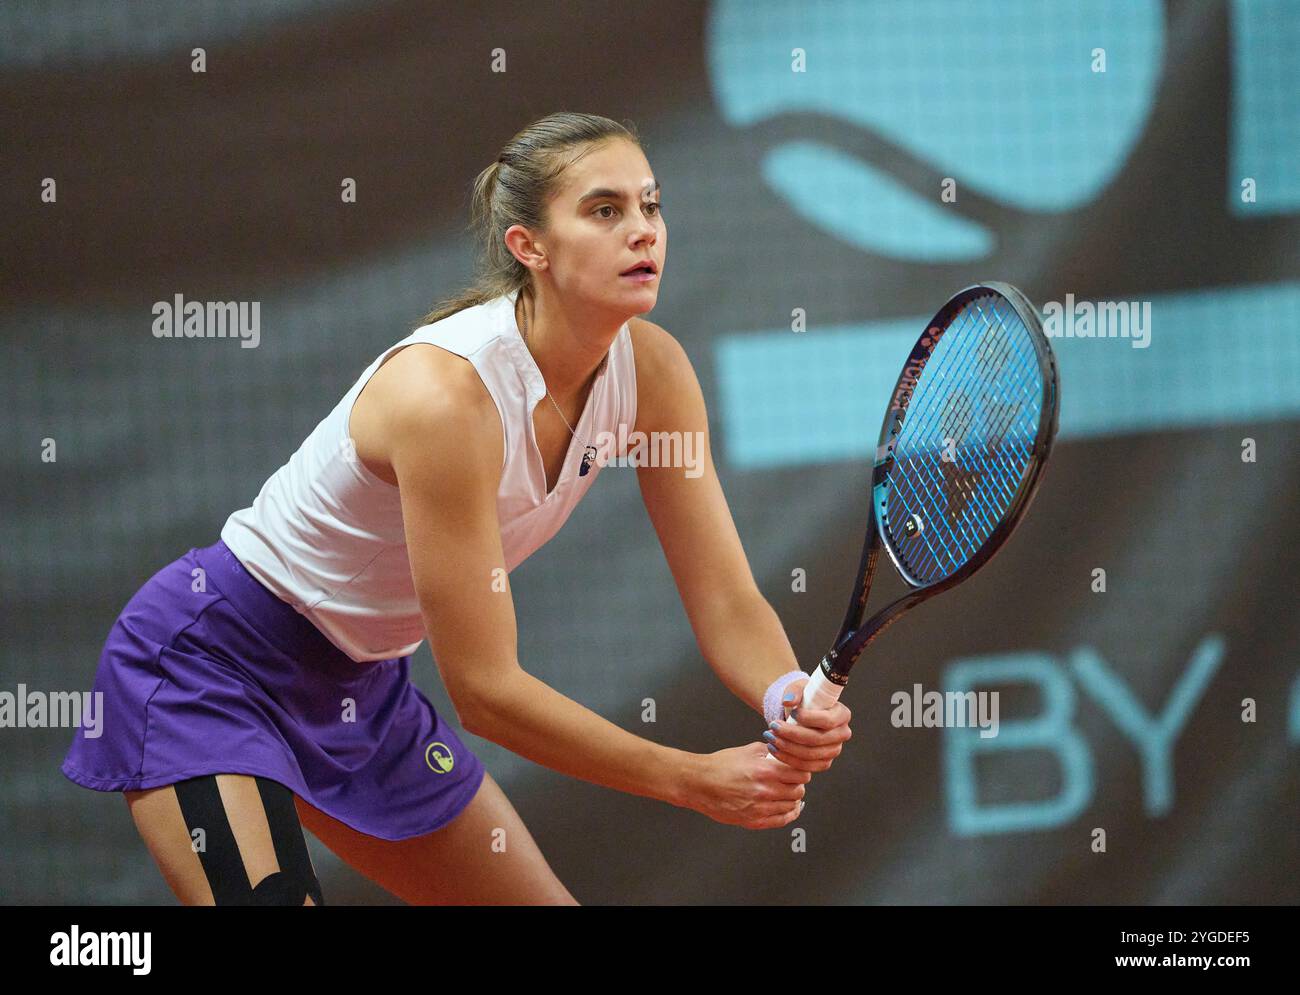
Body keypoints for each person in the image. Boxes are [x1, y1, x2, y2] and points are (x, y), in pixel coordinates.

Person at [61, 112, 852, 906]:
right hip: (210, 667)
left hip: (362, 691)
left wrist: (781, 689)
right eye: (605, 210)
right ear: (528, 246)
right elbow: (484, 692)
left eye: (651, 205)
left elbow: (723, 594)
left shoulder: (655, 375)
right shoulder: (446, 399)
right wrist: (689, 779)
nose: (643, 231)